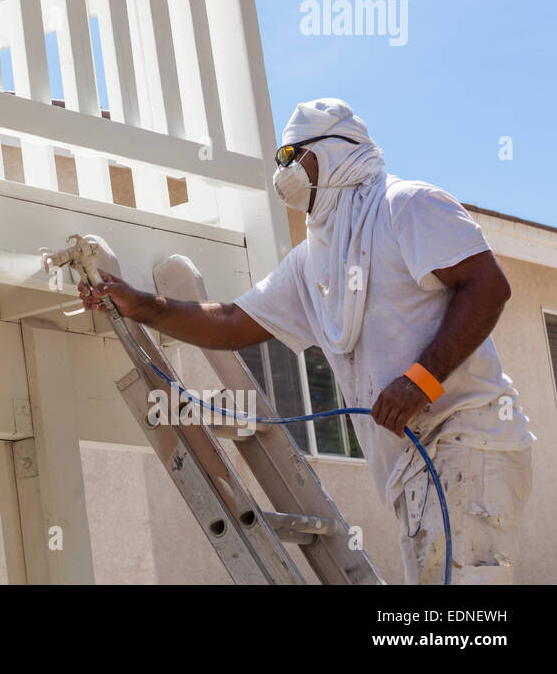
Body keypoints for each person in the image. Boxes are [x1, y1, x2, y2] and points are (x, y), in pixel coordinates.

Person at [80, 98, 534, 584]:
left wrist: (419, 382)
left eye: (294, 155)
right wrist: (142, 305)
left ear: (336, 151)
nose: (285, 170)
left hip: (466, 439)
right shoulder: (313, 259)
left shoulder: (407, 205)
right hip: (411, 469)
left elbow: (488, 286)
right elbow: (233, 321)